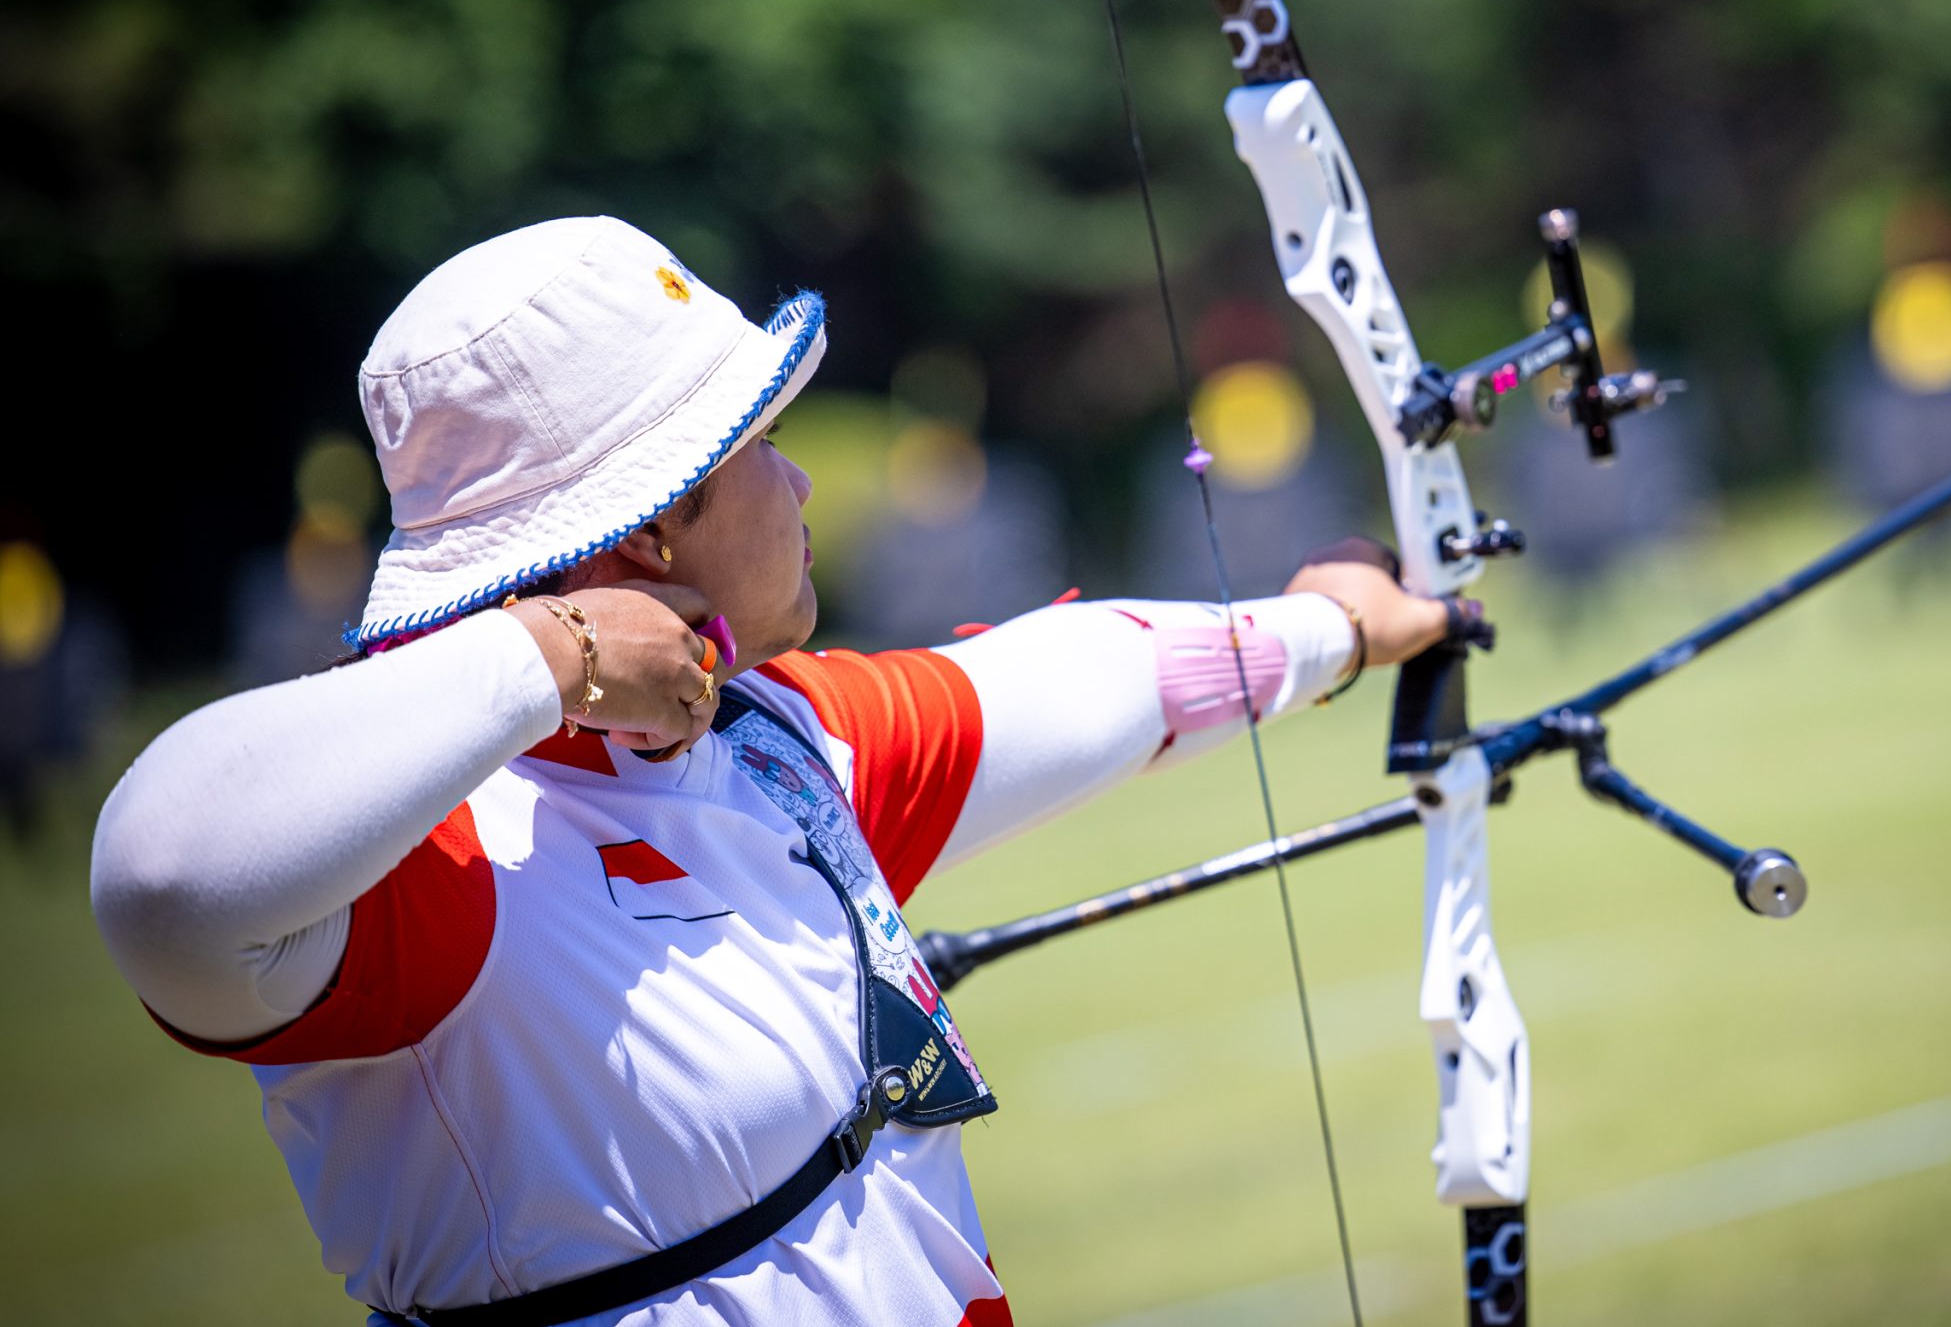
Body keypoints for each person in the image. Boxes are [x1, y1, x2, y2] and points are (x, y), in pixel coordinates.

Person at [90, 216, 1458, 1326]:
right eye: (759, 451)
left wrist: (1333, 625)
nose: (801, 487)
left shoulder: (775, 741)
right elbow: (163, 872)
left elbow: (1080, 680)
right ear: (646, 536)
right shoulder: (437, 868)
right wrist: (552, 654)